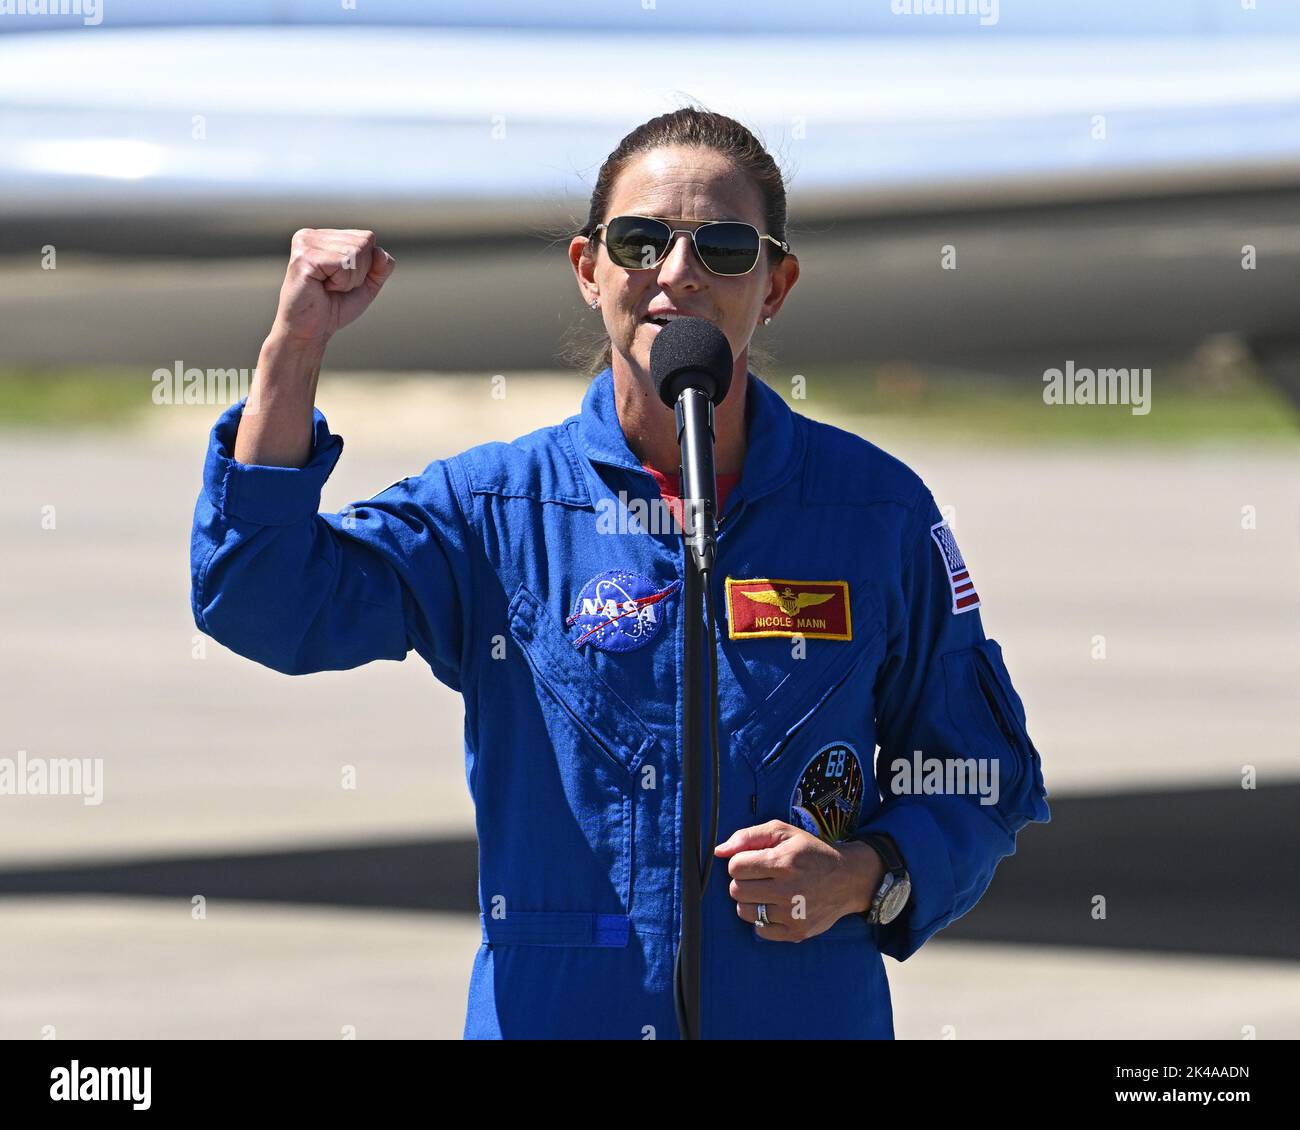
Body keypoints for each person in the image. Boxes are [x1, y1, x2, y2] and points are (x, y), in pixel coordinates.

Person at [190, 107, 1050, 1040]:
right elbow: (262, 600)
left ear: (776, 285)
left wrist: (861, 875)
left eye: (723, 246)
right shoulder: (498, 509)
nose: (676, 273)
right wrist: (295, 347)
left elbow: (976, 771)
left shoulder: (875, 512)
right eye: (640, 241)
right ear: (588, 268)